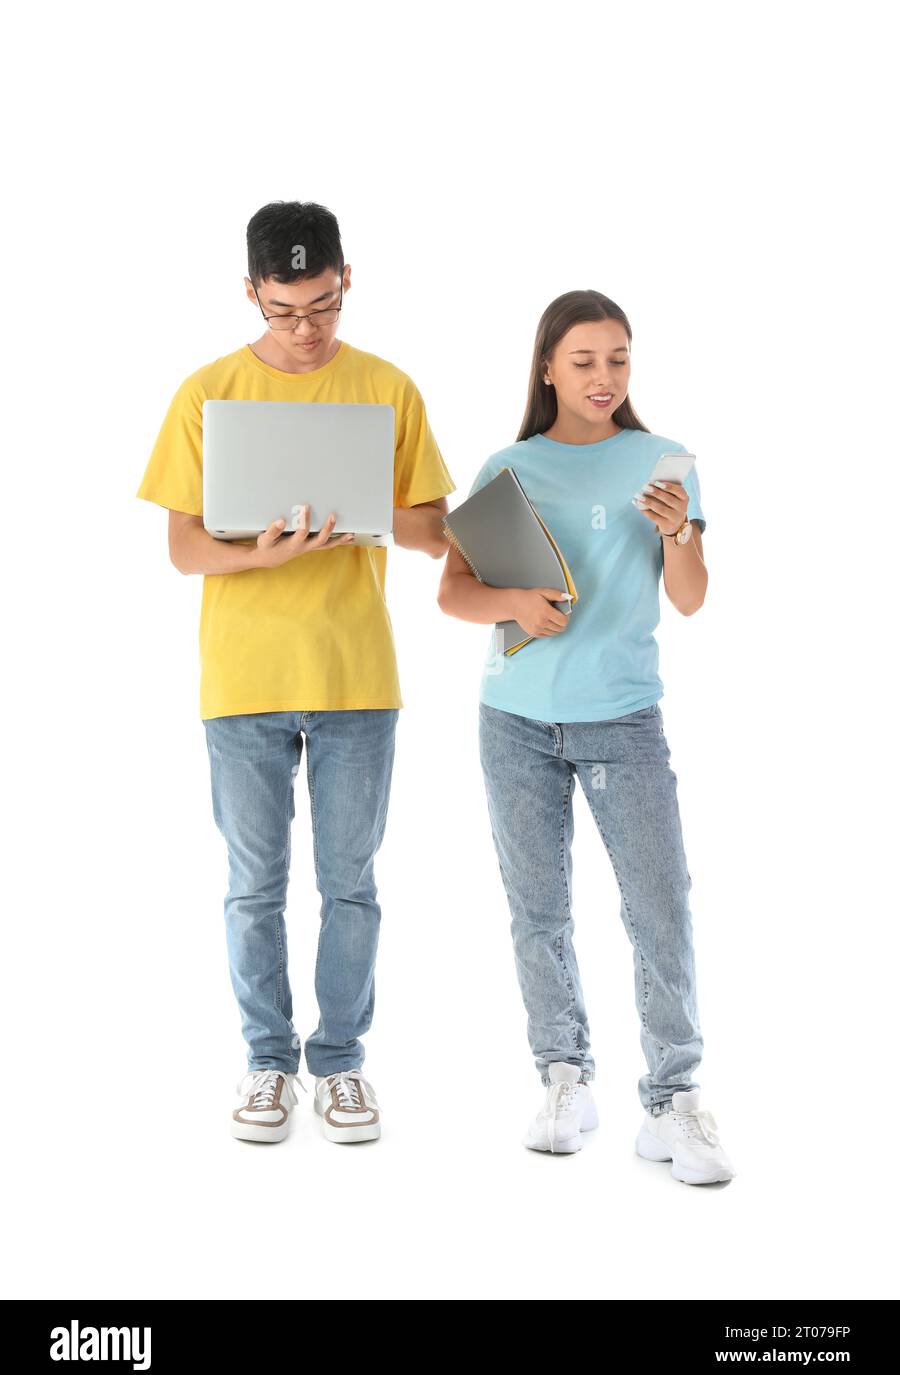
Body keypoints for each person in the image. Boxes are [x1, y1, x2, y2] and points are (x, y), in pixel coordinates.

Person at [136, 200, 455, 1145]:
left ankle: (343, 1066)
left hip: (357, 674)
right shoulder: (209, 393)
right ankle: (268, 1064)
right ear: (250, 293)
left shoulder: (387, 387)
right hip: (243, 680)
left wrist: (361, 511)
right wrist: (264, 557)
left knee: (350, 883)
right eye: (284, 310)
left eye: (322, 306)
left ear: (347, 281)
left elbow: (435, 532)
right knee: (254, 886)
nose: (307, 330)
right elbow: (185, 549)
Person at [437, 289, 735, 1183]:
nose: (603, 378)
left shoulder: (663, 463)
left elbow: (690, 597)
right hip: (515, 717)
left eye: (618, 360)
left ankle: (674, 1101)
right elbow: (453, 591)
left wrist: (677, 530)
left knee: (659, 906)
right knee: (539, 911)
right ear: (546, 369)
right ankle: (565, 1077)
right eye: (584, 362)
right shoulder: (509, 465)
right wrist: (517, 603)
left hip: (622, 716)